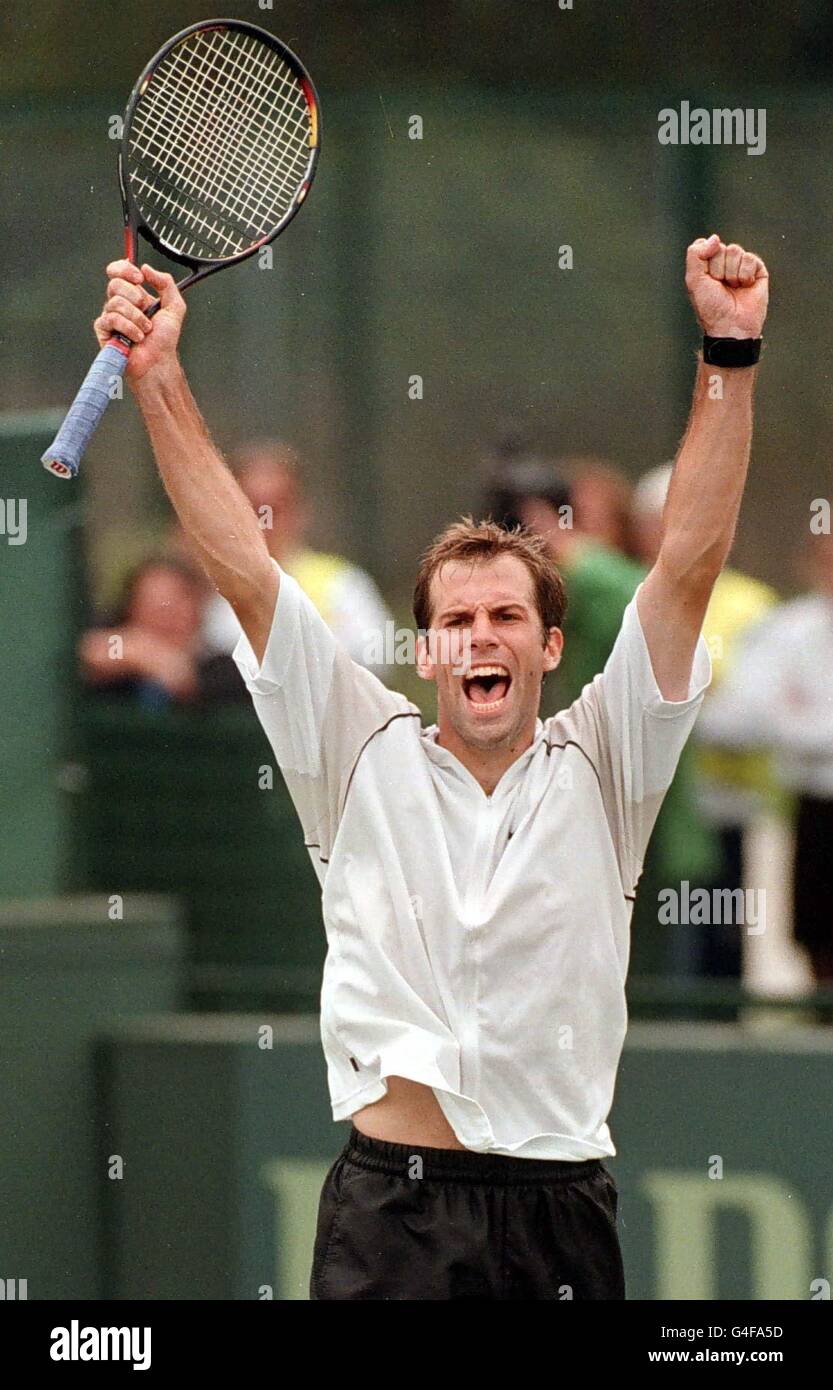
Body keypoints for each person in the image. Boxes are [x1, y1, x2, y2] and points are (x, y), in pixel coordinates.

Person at [92, 231, 768, 1299]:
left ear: (549, 647)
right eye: (456, 619)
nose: (482, 634)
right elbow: (242, 562)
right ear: (426, 651)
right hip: (392, 1217)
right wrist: (162, 375)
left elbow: (683, 568)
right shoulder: (352, 748)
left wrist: (726, 355)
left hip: (561, 1211)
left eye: (508, 614)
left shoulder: (606, 761)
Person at [632, 463, 779, 980]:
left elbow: (758, 716)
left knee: (718, 948)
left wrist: (678, 706)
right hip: (648, 806)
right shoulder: (632, 592)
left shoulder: (749, 603)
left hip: (724, 809)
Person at [699, 532, 833, 985]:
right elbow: (742, 717)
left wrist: (803, 722)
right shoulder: (788, 629)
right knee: (816, 936)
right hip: (812, 806)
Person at [184, 439, 394, 676]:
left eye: (277, 506)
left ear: (300, 511)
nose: (267, 520)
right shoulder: (200, 585)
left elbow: (376, 660)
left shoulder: (342, 583)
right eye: (253, 506)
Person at [78, 556, 247, 708]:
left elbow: (190, 681)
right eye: (153, 607)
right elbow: (86, 651)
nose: (166, 619)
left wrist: (161, 661)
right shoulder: (115, 657)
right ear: (130, 610)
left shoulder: (223, 664)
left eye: (176, 606)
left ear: (198, 609)